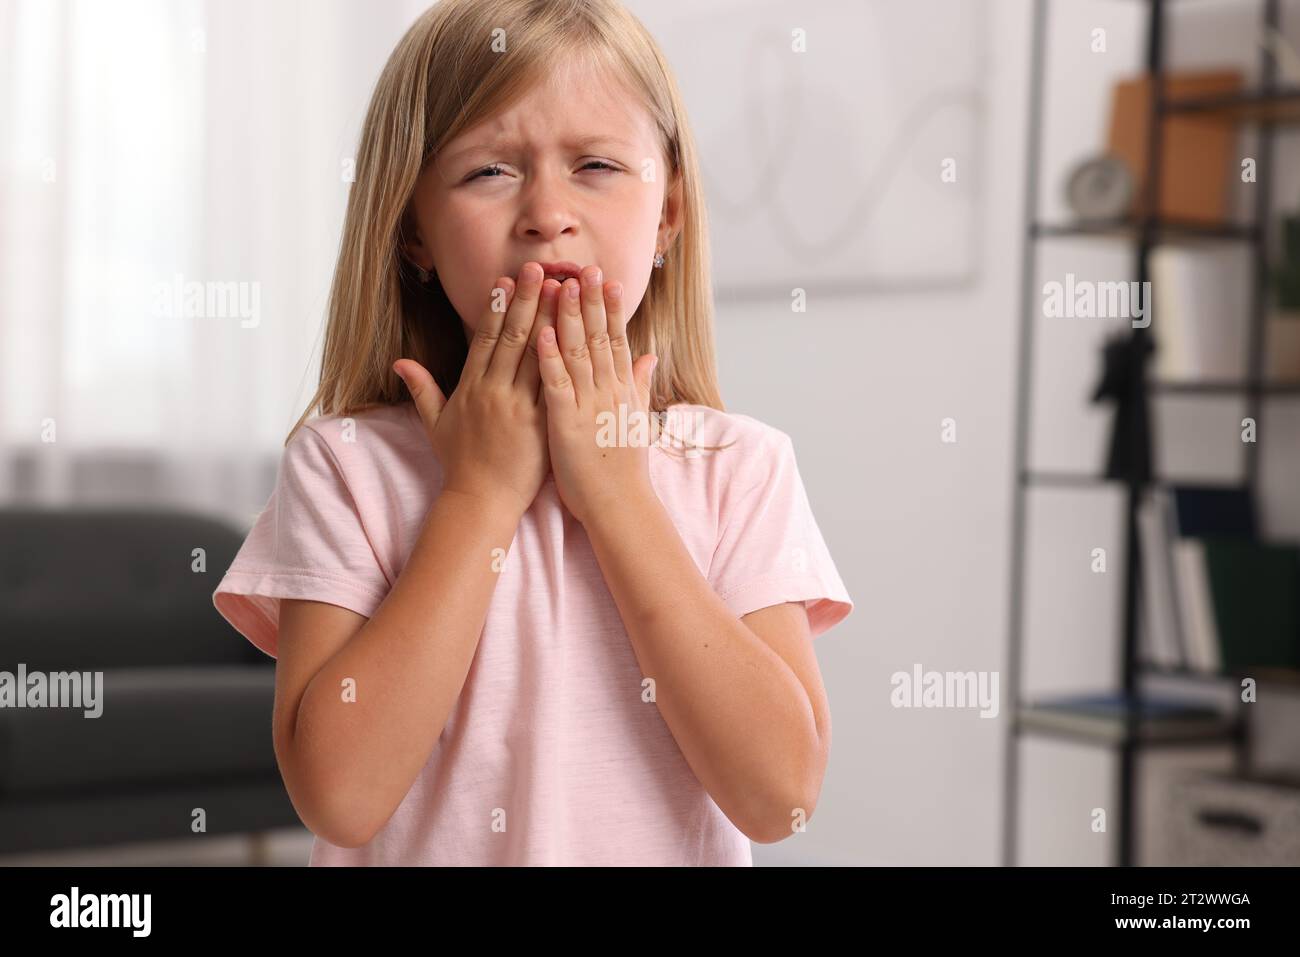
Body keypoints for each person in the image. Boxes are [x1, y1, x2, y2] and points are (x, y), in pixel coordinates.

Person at [212, 0, 853, 866]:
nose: (547, 213)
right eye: (489, 173)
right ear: (412, 232)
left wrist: (619, 496)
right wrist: (476, 497)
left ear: (667, 214)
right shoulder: (346, 467)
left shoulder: (738, 468)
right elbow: (341, 797)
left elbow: (781, 798)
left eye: (595, 164)